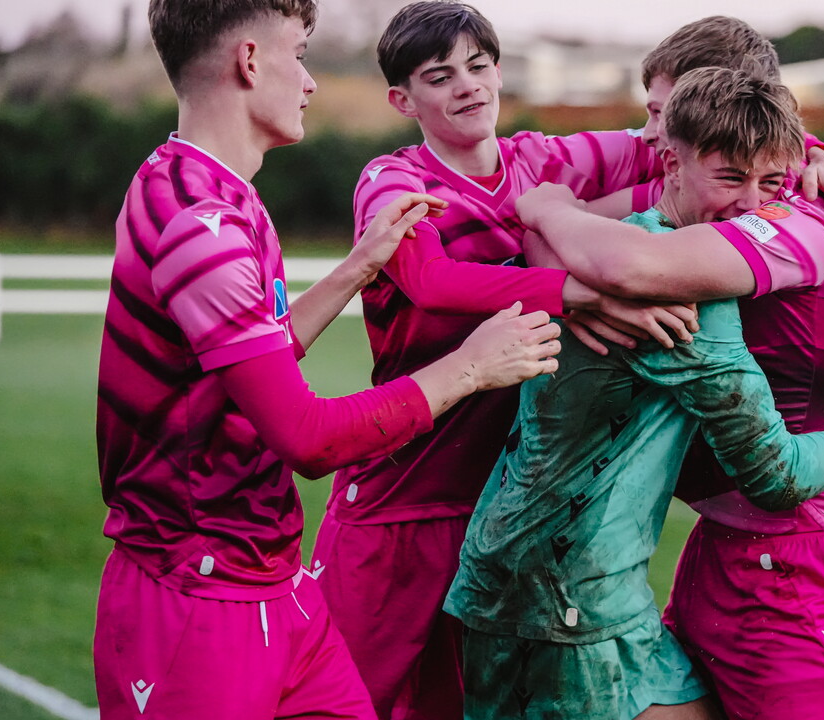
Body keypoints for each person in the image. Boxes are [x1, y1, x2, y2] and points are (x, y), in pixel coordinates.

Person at [310, 6, 824, 719]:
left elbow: (710, 140)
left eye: (478, 67)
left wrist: (817, 156)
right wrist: (580, 296)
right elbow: (433, 283)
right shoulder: (392, 180)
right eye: (439, 76)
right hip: (404, 498)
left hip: (500, 502)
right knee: (339, 707)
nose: (468, 87)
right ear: (401, 99)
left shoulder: (541, 161)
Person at [93, 1, 561, 717]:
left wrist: (356, 268)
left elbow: (249, 358)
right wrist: (469, 367)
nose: (310, 82)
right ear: (250, 62)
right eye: (300, 54)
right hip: (197, 593)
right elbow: (306, 439)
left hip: (273, 583)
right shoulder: (201, 225)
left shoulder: (210, 190)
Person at [443, 65, 824, 720]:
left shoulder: (576, 244)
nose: (751, 206)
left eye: (771, 184)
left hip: (494, 578)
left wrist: (544, 205)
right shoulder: (682, 295)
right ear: (669, 161)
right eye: (730, 178)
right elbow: (777, 476)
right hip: (579, 606)